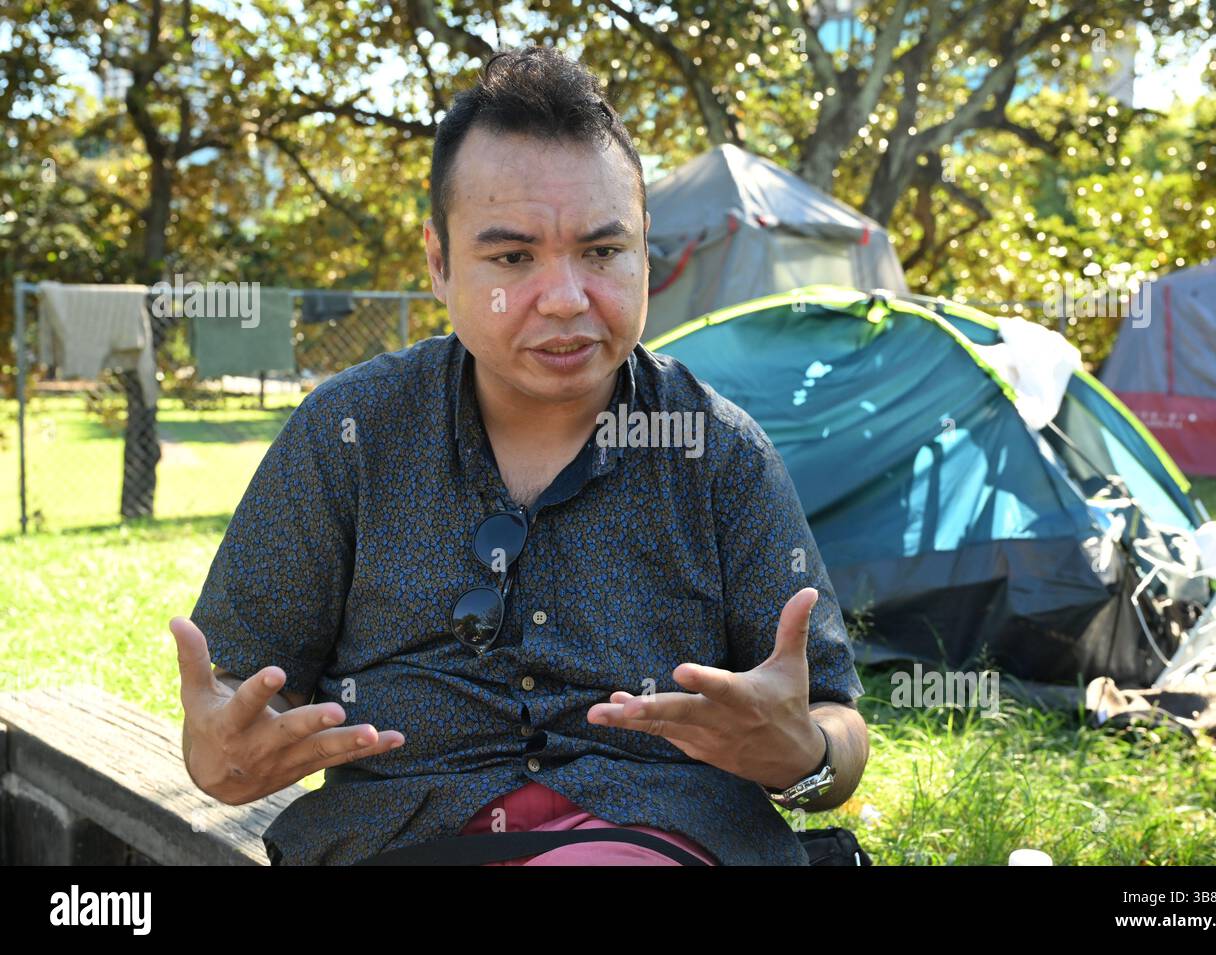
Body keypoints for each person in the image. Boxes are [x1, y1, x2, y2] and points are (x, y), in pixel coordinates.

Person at [170, 44, 868, 866]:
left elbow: (833, 722)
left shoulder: (720, 454)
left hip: (661, 835)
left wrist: (807, 759)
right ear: (439, 262)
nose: (567, 297)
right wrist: (216, 761)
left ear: (646, 249)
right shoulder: (348, 435)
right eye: (513, 257)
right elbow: (232, 716)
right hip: (402, 839)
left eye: (604, 252)